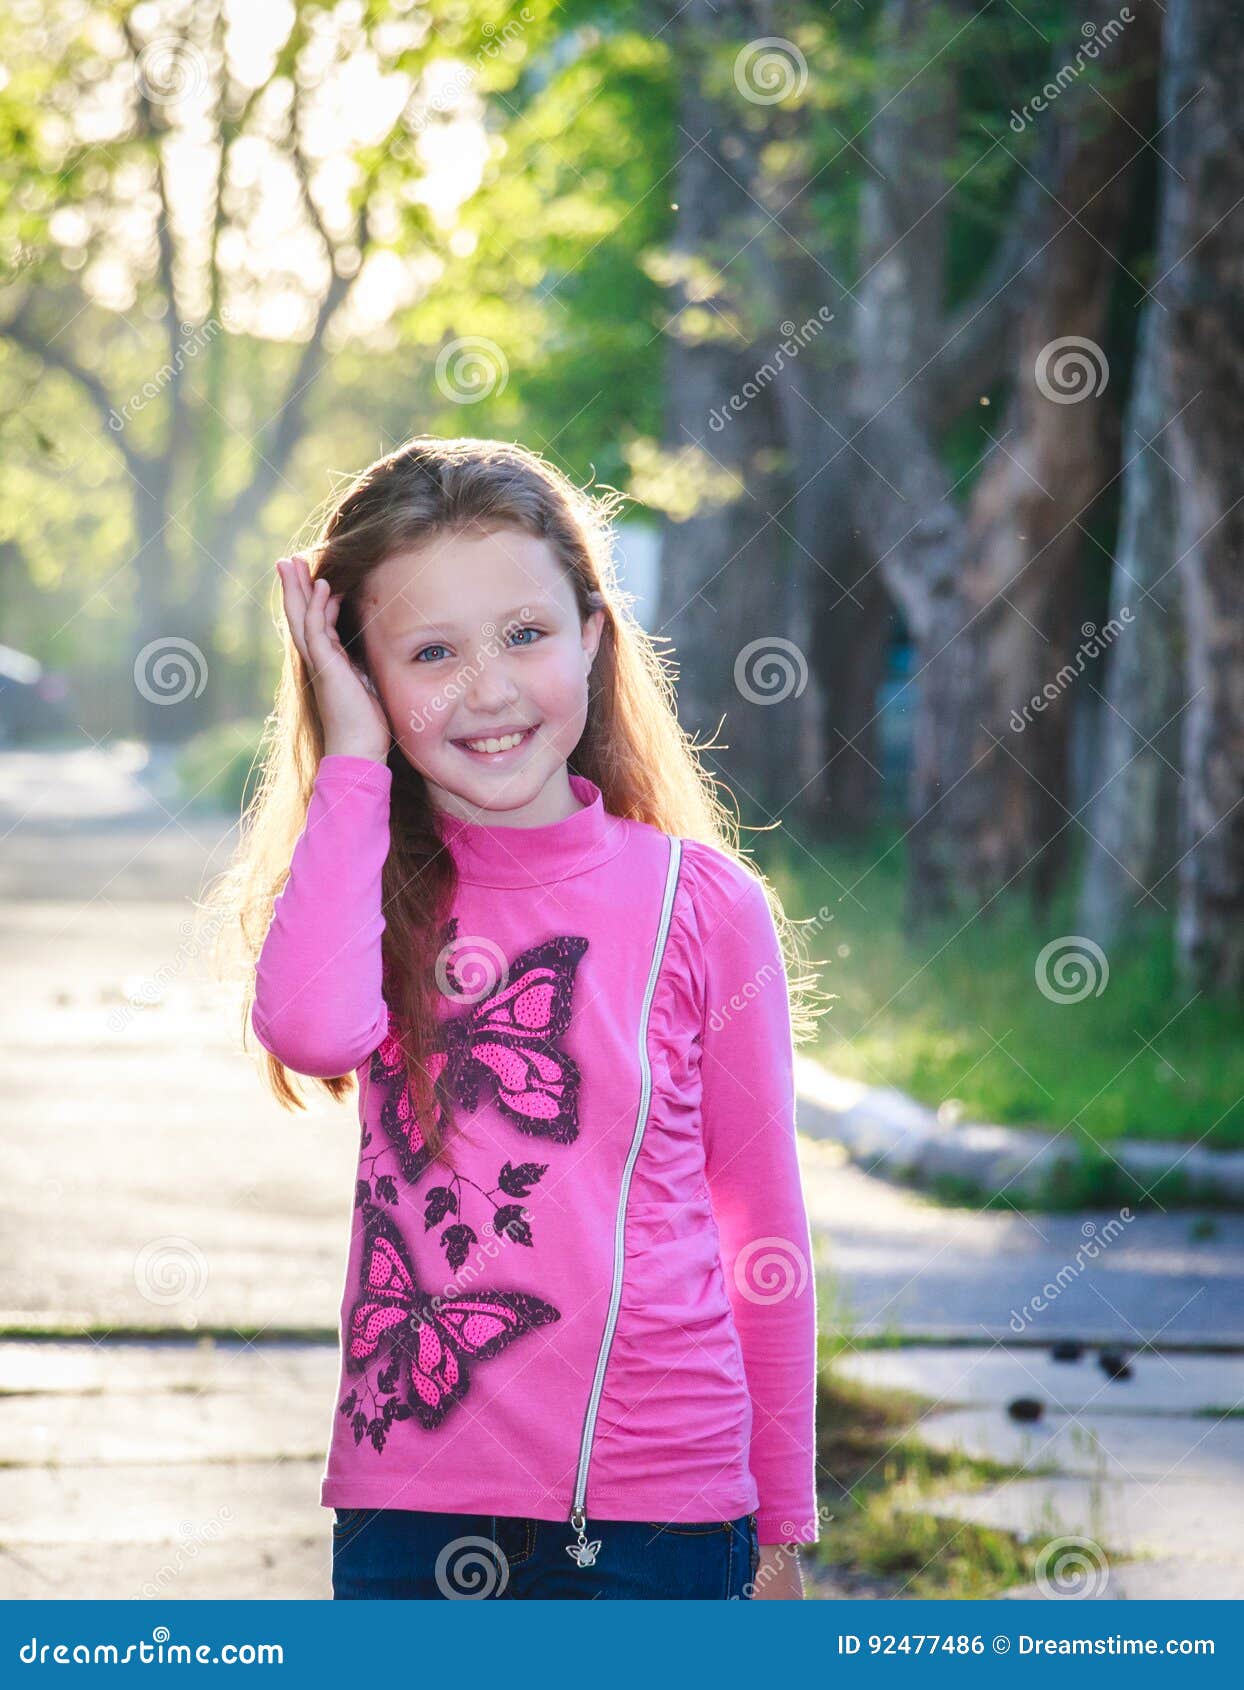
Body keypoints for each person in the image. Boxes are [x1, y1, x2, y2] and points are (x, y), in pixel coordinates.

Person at [214, 435, 827, 1599]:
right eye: (430, 652)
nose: (486, 688)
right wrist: (350, 753)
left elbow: (760, 1223)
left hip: (666, 1507)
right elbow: (309, 1030)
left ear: (593, 639)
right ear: (362, 672)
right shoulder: (369, 894)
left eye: (526, 635)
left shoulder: (700, 905)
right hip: (415, 1498)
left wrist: (783, 1515)